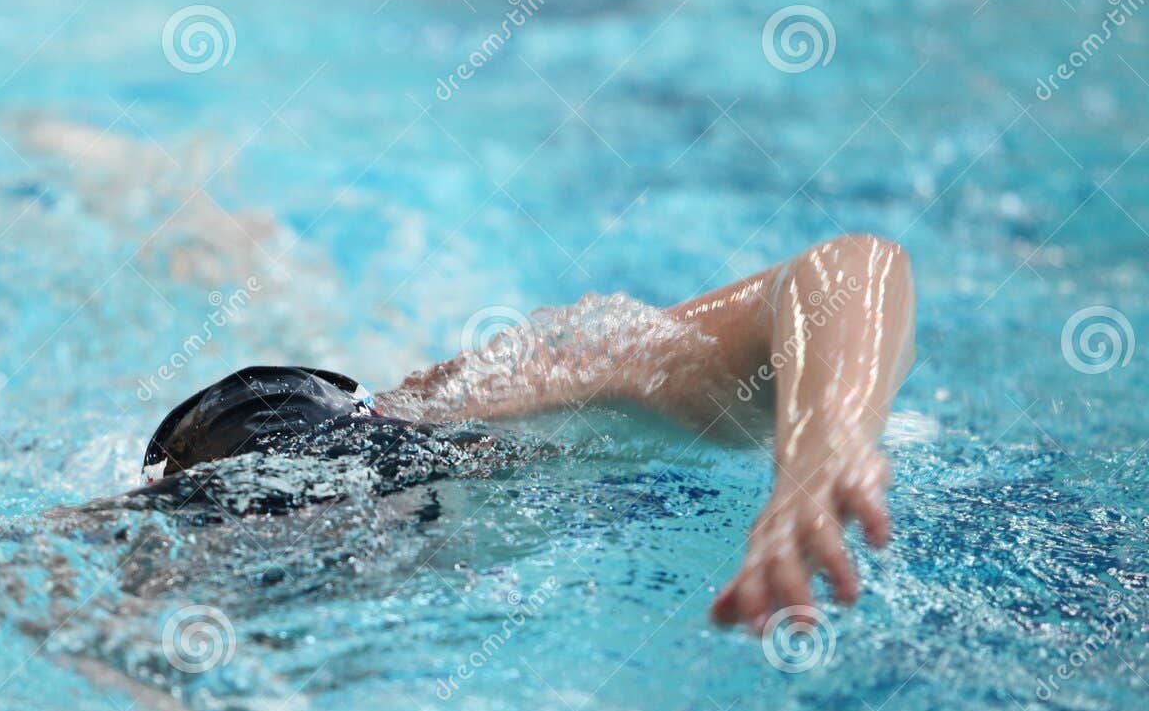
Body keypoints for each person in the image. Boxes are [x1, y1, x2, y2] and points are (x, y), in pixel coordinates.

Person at [75, 233, 915, 634]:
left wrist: (822, 446)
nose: (355, 541)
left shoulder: (510, 409)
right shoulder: (156, 553)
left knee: (258, 266)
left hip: (416, 400)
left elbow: (852, 269)